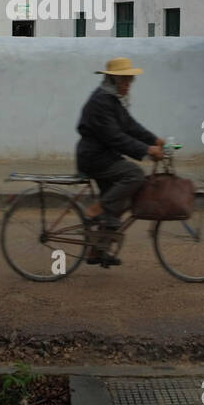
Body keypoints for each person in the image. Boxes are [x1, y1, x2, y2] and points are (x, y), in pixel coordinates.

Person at [75, 57, 164, 266]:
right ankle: (96, 208)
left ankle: (97, 252)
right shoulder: (100, 102)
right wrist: (147, 150)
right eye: (125, 80)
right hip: (93, 158)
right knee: (134, 174)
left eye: (130, 80)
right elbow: (115, 137)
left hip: (104, 156)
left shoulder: (112, 100)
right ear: (113, 81)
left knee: (120, 200)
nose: (128, 85)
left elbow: (131, 126)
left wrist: (154, 139)